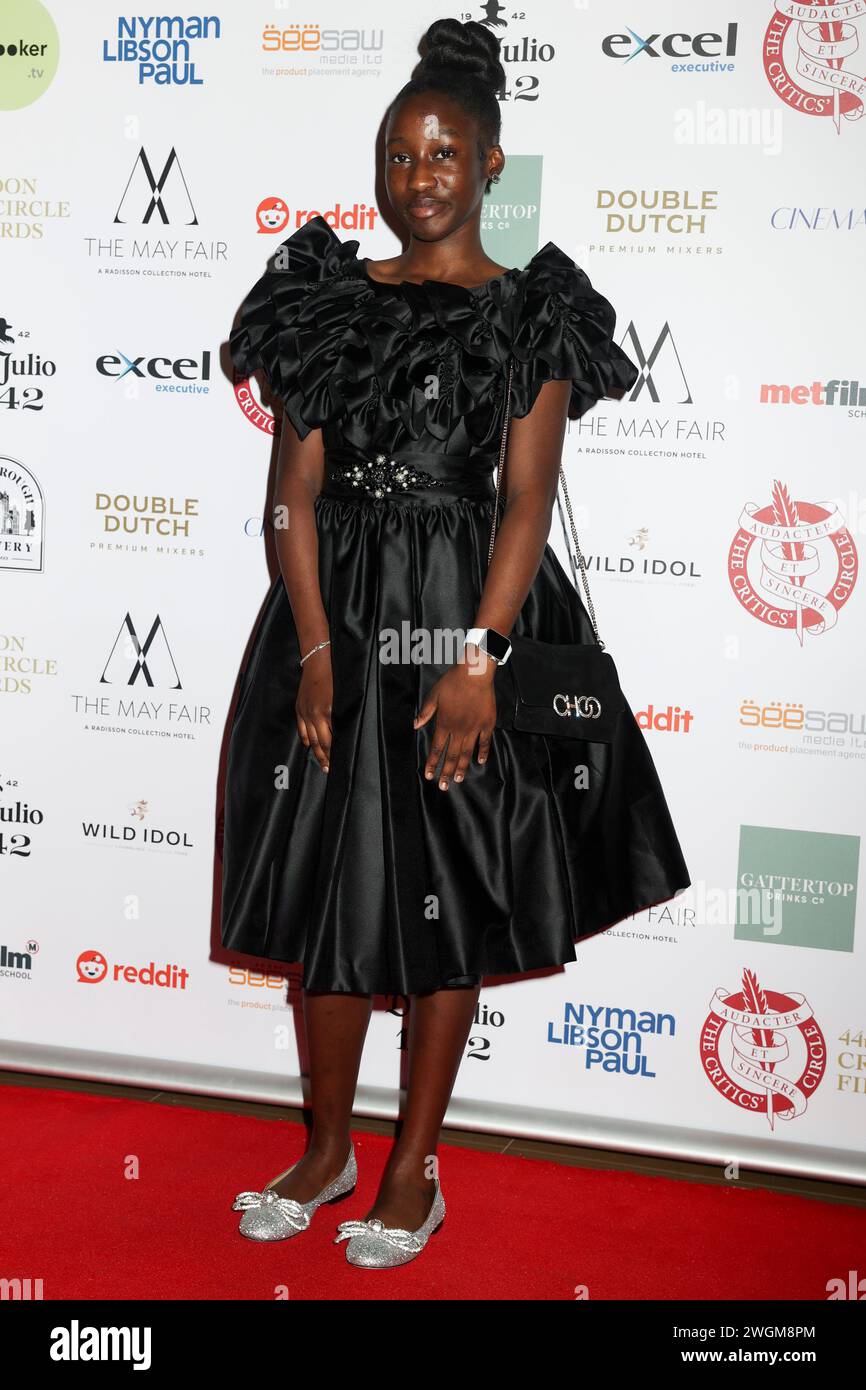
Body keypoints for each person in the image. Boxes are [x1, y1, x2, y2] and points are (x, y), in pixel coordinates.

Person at [222, 16, 690, 1269]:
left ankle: (411, 1171)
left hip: (460, 624)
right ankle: (325, 1150)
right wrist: (315, 647)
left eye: (443, 151)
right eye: (397, 150)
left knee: (447, 898)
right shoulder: (323, 302)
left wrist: (479, 656)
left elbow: (525, 503)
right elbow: (291, 495)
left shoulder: (530, 315)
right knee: (327, 891)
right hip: (332, 627)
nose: (415, 174)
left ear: (489, 164)